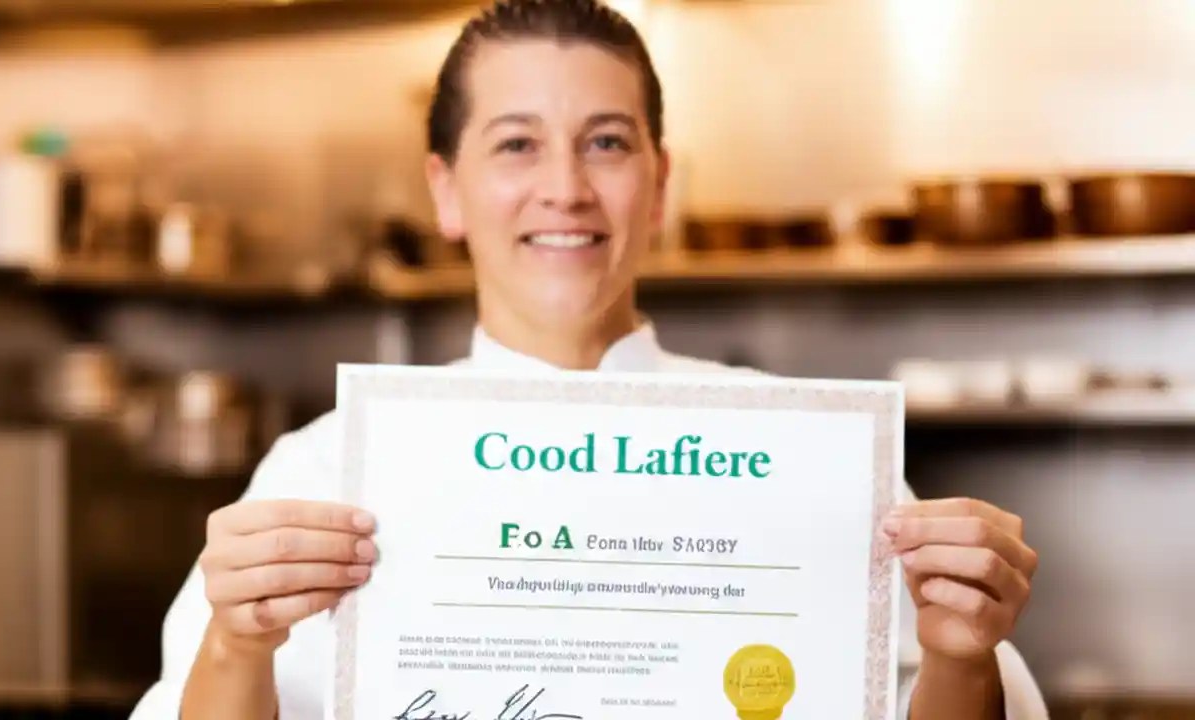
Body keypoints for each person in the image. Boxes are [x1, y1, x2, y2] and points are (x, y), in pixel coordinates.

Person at [129, 1, 1047, 718]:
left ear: (658, 186)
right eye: (516, 143)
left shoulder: (817, 459)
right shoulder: (320, 473)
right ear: (445, 190)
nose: (565, 188)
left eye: (606, 142)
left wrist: (962, 657)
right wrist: (235, 647)